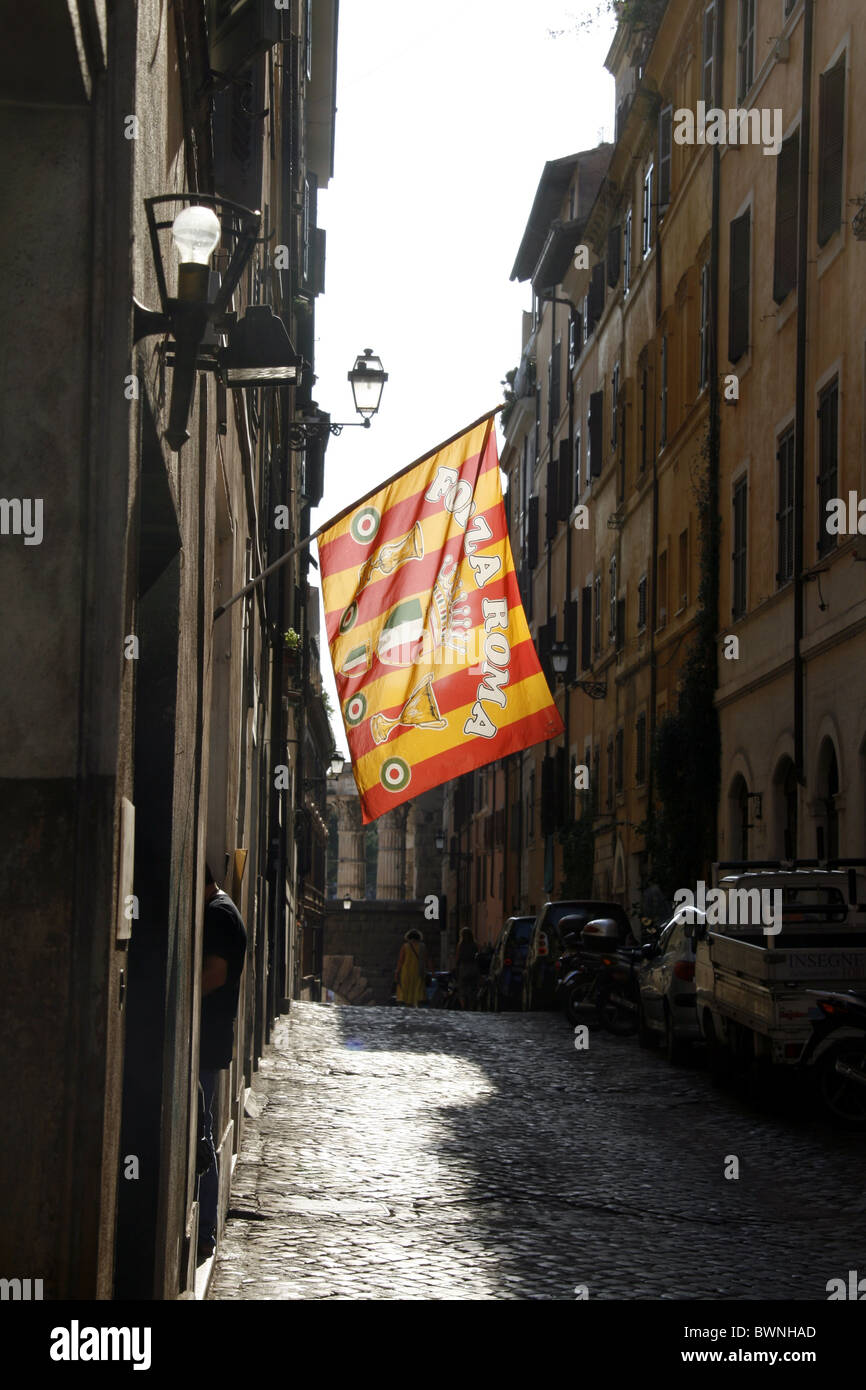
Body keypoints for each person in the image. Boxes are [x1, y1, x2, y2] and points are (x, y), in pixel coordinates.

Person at [197, 862, 247, 1262]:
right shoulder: (225, 909)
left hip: (206, 1039)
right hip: (212, 1039)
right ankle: (206, 1228)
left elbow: (214, 974)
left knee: (203, 1134)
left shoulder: (218, 914)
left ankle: (206, 1230)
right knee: (204, 1131)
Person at [394, 928, 427, 1007]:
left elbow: (400, 961)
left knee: (406, 990)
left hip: (406, 972)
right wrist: (432, 972)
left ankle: (408, 1005)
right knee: (416, 989)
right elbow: (427, 959)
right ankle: (415, 1004)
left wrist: (397, 972)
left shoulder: (405, 946)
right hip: (418, 972)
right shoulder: (422, 946)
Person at [455, 926, 479, 1010]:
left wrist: (456, 967)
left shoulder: (460, 945)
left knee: (462, 989)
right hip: (473, 968)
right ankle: (472, 1006)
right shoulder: (475, 945)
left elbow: (458, 957)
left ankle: (463, 1006)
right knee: (473, 988)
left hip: (464, 968)